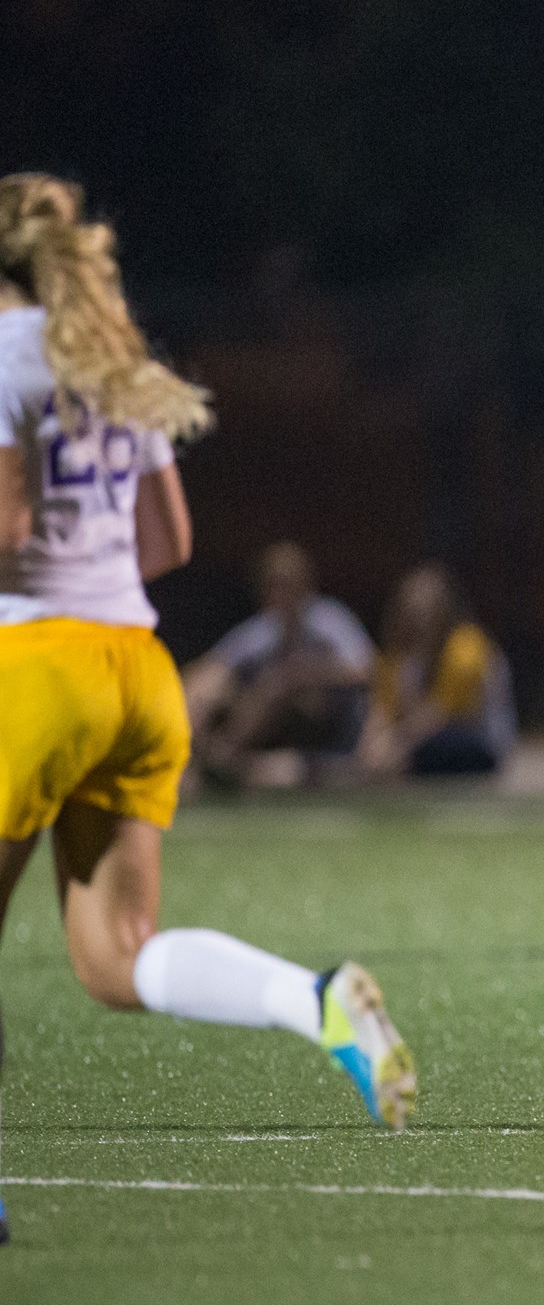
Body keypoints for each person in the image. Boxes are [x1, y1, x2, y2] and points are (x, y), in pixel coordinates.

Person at [0, 173, 414, 1129]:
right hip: (136, 672)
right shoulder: (114, 355)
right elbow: (169, 544)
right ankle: (312, 1003)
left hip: (40, 670)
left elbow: (12, 525)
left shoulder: (8, 357)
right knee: (116, 956)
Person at [183, 540, 374, 785]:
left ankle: (223, 756)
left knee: (279, 682)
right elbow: (215, 665)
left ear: (305, 585)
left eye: (287, 585)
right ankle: (190, 760)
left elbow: (365, 669)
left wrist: (305, 672)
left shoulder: (328, 619)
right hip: (278, 728)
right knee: (209, 687)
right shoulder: (264, 628)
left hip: (330, 725)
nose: (280, 594)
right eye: (273, 586)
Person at [358, 562, 515, 778]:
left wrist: (396, 744)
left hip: (476, 739)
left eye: (427, 610)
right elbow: (383, 707)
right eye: (413, 610)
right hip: (417, 737)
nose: (419, 619)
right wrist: (369, 745)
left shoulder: (466, 645)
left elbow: (441, 713)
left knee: (434, 745)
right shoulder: (399, 655)